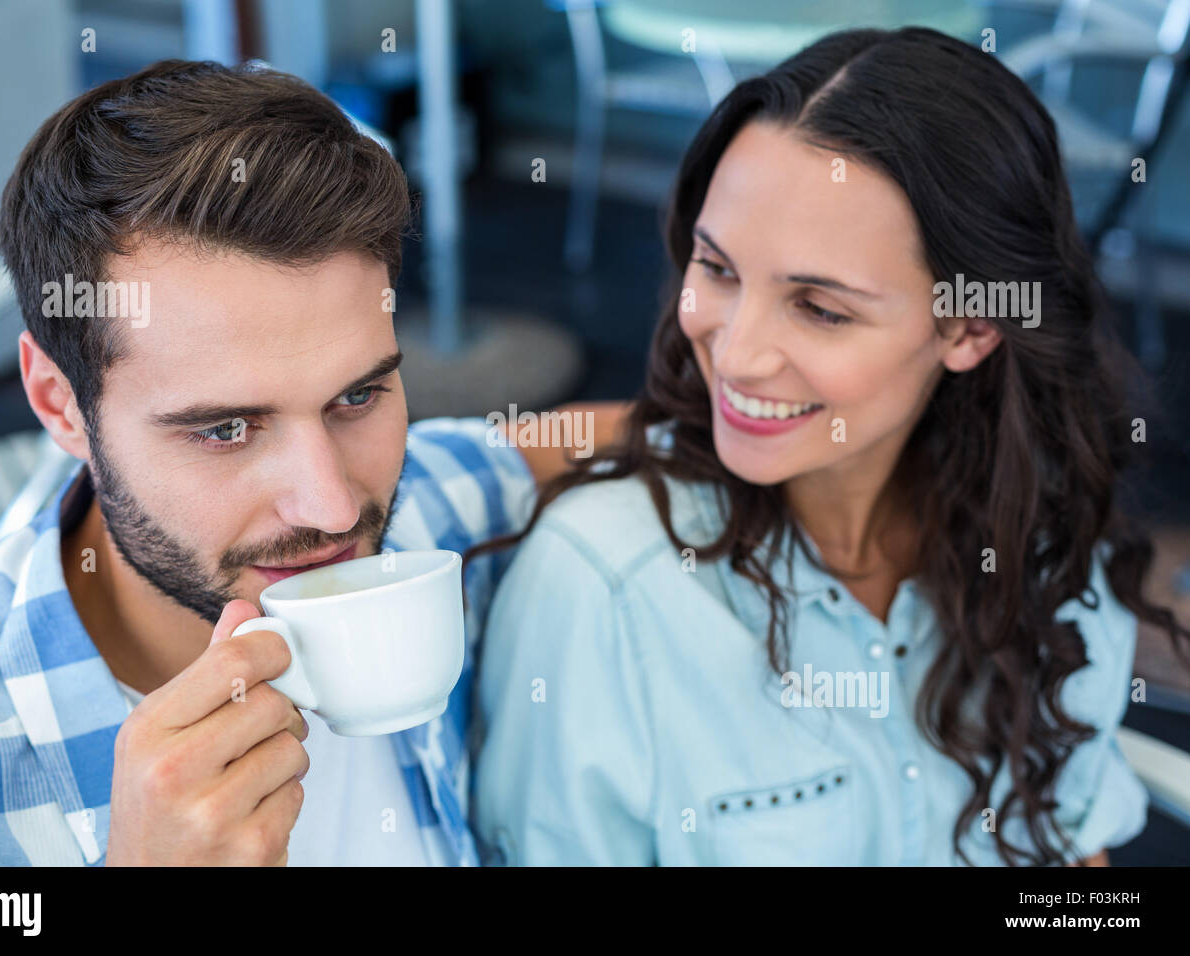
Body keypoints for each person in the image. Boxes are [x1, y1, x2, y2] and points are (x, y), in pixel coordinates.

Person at [469, 27, 1190, 866]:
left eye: (820, 307)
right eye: (719, 267)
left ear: (971, 327)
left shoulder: (1036, 535)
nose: (734, 355)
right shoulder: (601, 590)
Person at [0, 59, 620, 867]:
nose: (333, 508)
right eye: (227, 429)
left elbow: (591, 438)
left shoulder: (423, 524)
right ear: (61, 404)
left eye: (357, 397)